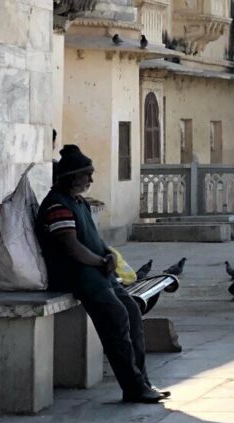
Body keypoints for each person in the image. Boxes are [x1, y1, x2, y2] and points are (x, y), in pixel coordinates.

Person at [36, 145, 167, 404]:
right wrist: (99, 261)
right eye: (87, 175)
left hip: (98, 273)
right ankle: (132, 386)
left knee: (131, 310)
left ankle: (142, 381)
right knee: (116, 319)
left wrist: (107, 256)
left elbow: (92, 238)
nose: (90, 180)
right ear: (72, 177)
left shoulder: (78, 202)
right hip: (78, 275)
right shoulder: (56, 206)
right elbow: (71, 246)